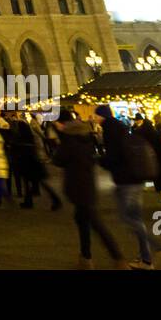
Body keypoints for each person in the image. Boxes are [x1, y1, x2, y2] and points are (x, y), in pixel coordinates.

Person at [52, 110, 128, 269]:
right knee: (82, 221)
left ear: (63, 124)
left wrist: (62, 136)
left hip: (78, 187)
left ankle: (118, 258)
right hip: (87, 185)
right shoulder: (84, 138)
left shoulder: (69, 141)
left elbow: (58, 160)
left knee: (95, 223)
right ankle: (85, 257)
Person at [95, 105, 160, 269]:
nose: (94, 118)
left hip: (126, 180)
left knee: (128, 218)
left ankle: (158, 248)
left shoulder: (110, 130)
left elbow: (114, 157)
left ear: (101, 116)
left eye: (96, 115)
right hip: (135, 178)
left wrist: (99, 160)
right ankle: (146, 259)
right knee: (136, 218)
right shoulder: (121, 128)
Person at [10, 115, 60, 210]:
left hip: (27, 163)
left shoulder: (20, 139)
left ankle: (53, 200)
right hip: (34, 163)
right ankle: (32, 201)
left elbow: (18, 151)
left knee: (30, 184)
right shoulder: (30, 137)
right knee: (40, 183)